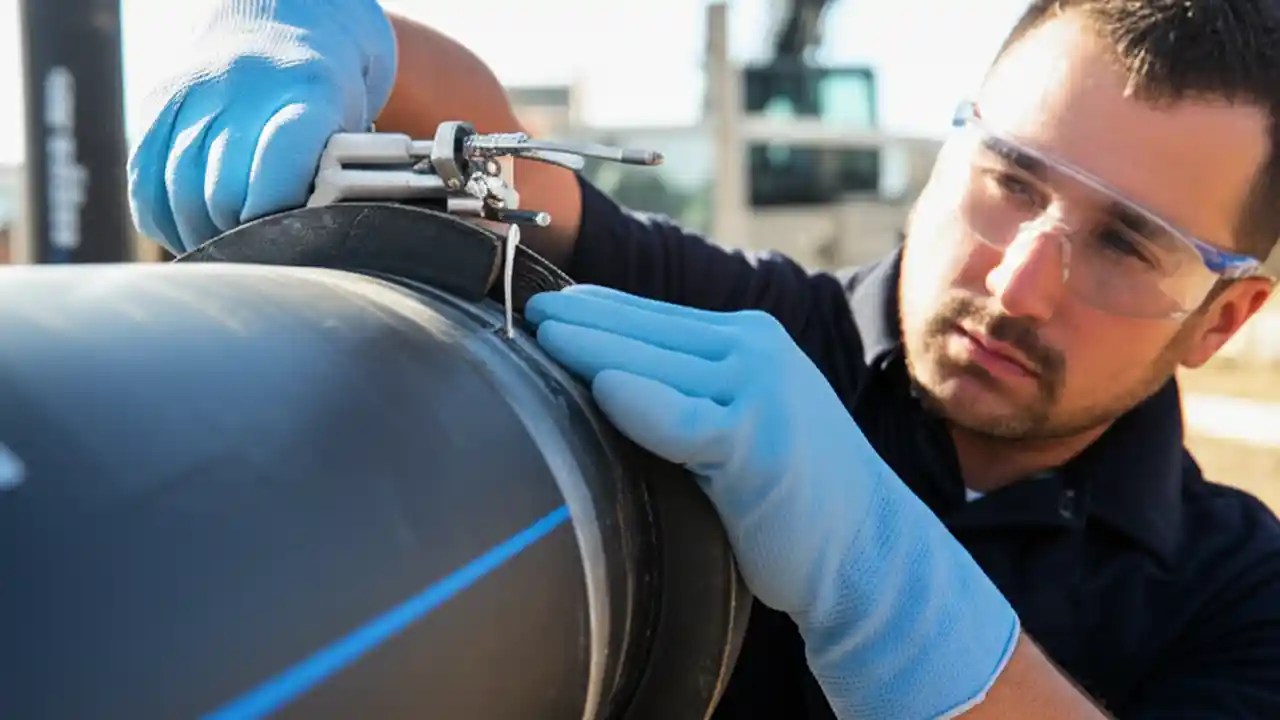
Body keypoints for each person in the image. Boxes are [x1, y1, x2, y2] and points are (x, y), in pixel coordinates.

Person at [128, 0, 1280, 717]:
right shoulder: (757, 336)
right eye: (1010, 180)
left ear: (1223, 320)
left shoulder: (1244, 598)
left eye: (1126, 243)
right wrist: (336, 34)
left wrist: (877, 578)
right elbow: (507, 167)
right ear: (952, 148)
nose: (1017, 280)